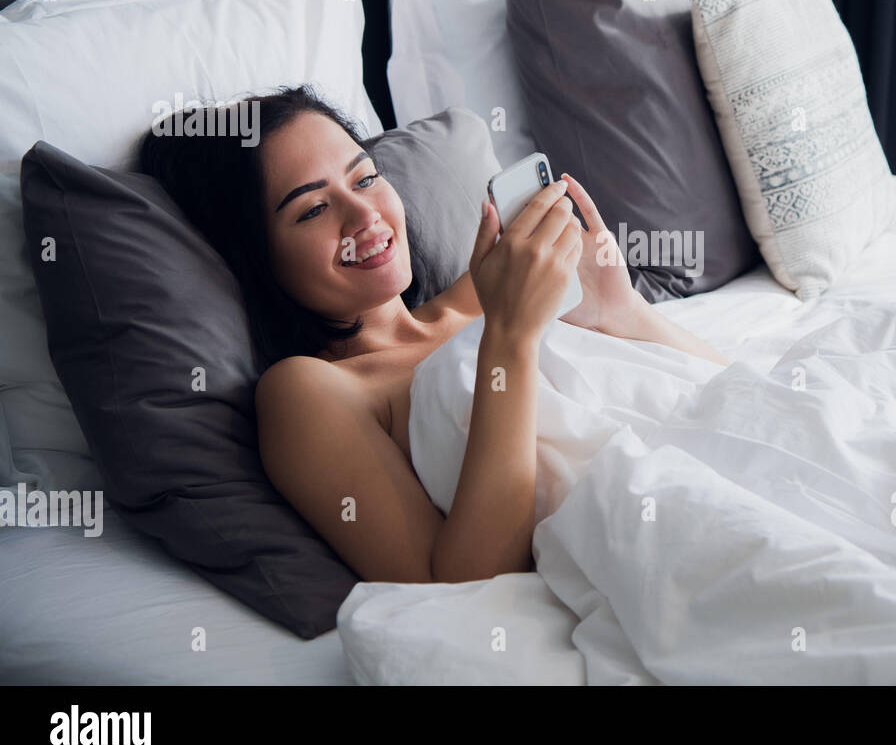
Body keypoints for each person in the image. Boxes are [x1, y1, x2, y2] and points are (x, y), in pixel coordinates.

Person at [138, 86, 727, 586]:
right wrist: (512, 341)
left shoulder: (488, 286)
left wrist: (619, 312)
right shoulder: (309, 391)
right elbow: (459, 584)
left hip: (721, 469)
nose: (364, 216)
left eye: (365, 178)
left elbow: (721, 395)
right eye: (313, 210)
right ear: (256, 257)